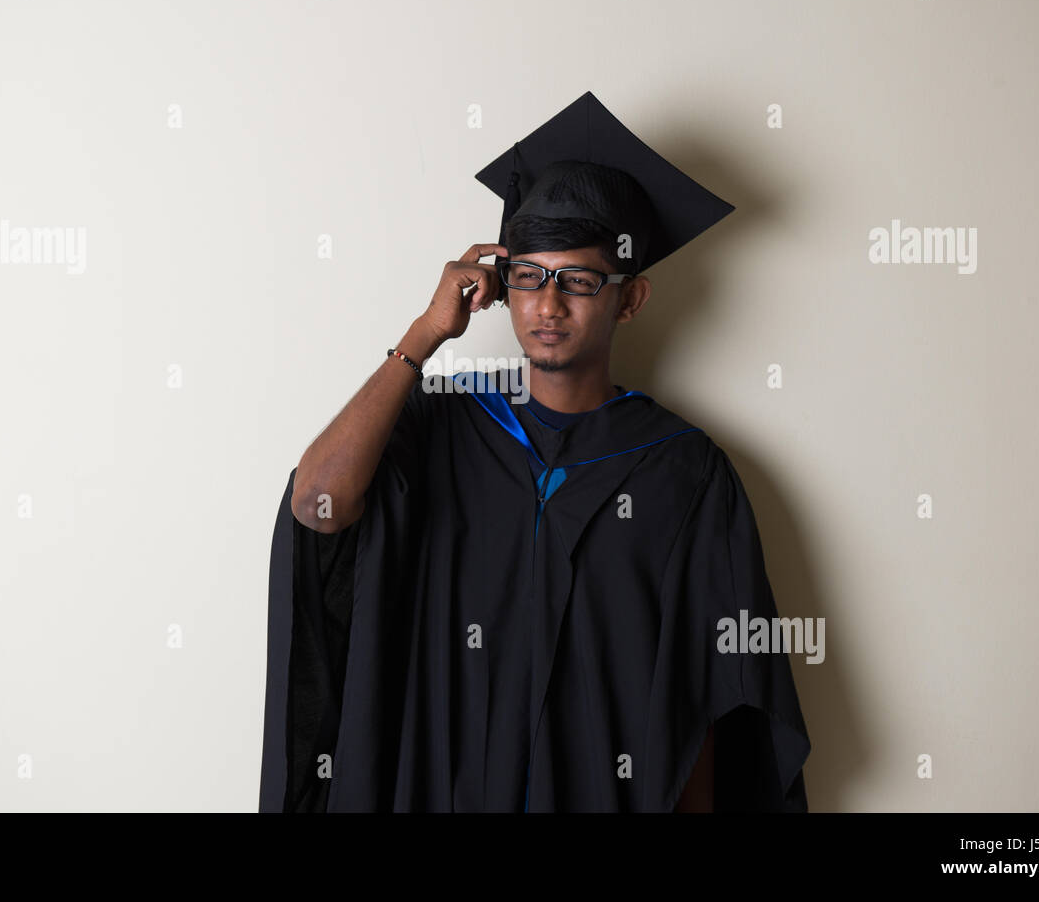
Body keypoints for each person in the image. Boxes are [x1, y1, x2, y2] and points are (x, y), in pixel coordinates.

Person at [260, 91, 811, 812]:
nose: (548, 305)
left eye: (579, 281)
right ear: (501, 286)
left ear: (629, 299)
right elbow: (318, 504)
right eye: (528, 277)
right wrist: (425, 334)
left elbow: (711, 705)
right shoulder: (440, 429)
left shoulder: (684, 472)